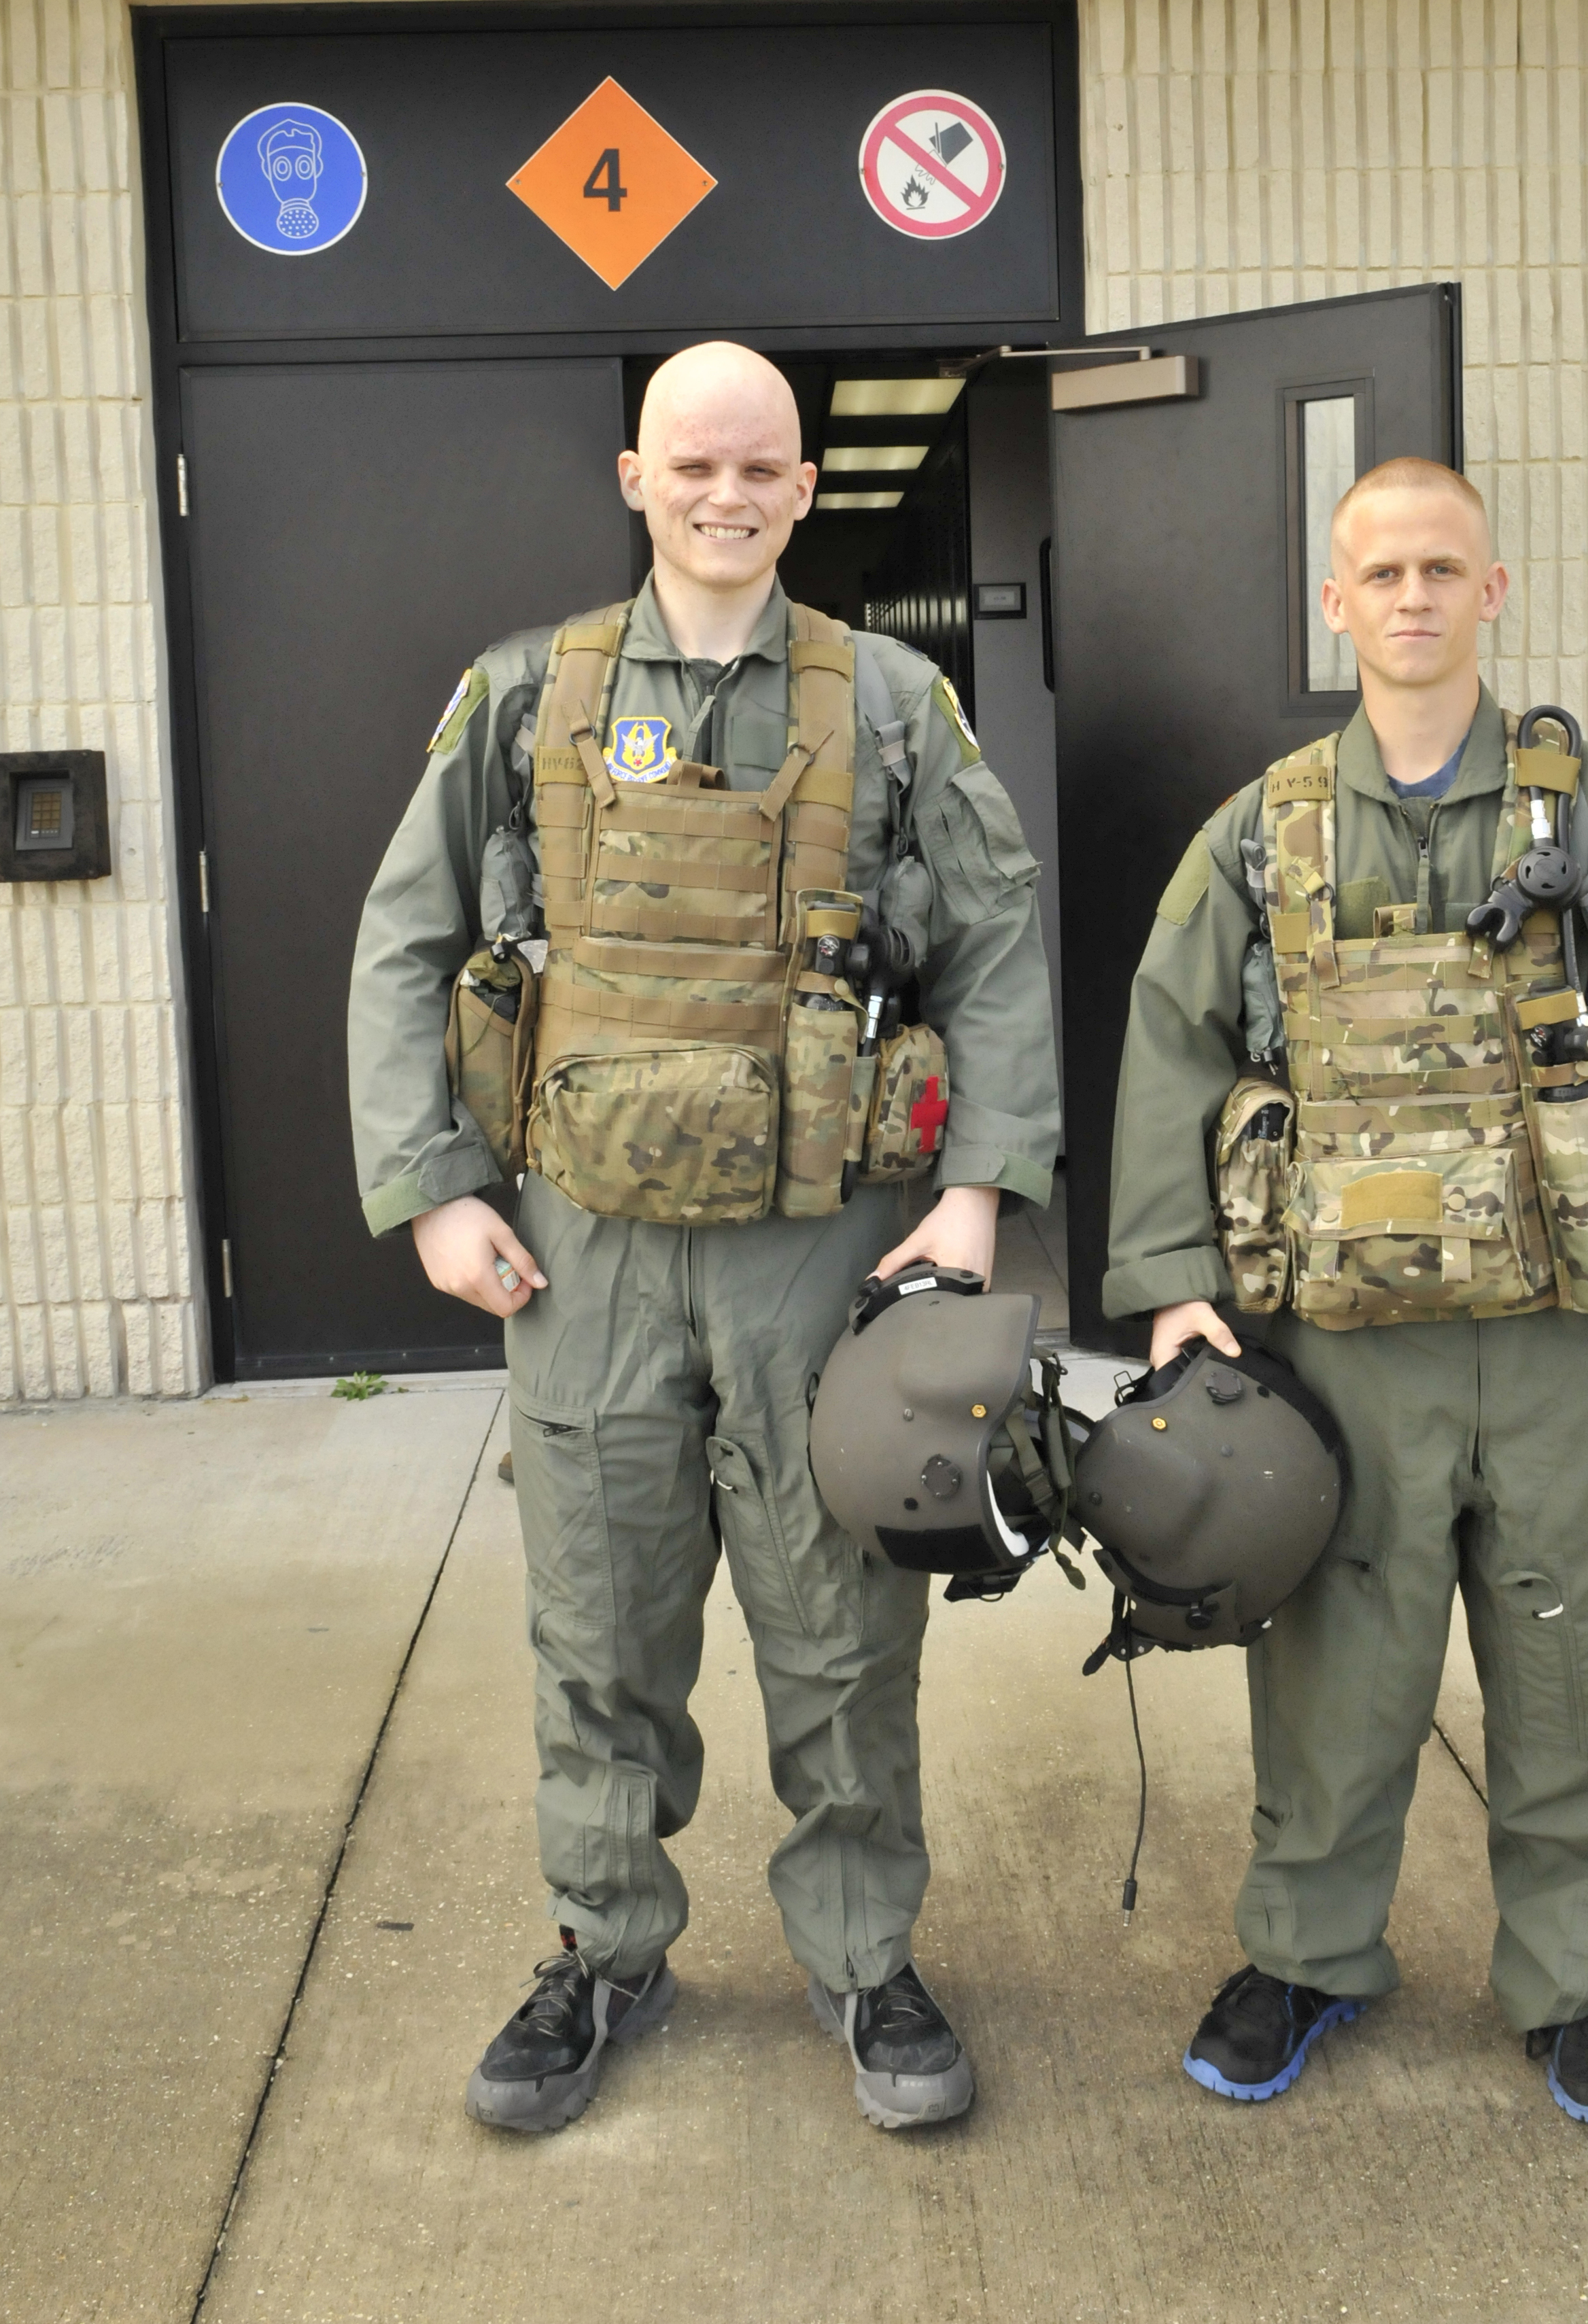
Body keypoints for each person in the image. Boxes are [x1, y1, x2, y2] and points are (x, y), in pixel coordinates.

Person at [348, 342, 1059, 2134]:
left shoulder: (894, 700)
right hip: (580, 1251)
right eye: (694, 467)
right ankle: (604, 1946)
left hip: (823, 1252)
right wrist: (435, 1183)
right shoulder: (524, 698)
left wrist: (975, 1188)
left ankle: (859, 1954)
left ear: (805, 489)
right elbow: (405, 938)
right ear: (633, 477)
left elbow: (990, 944)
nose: (726, 496)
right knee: (596, 1629)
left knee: (841, 1632)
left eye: (759, 469)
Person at [1103, 457, 1588, 2126]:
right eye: (1380, 571)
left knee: (1581, 1670)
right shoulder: (1260, 830)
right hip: (1343, 1351)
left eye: (1441, 568)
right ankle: (1308, 1957)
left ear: (1494, 591)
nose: (1412, 596)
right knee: (1338, 1671)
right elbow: (1169, 1042)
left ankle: (1583, 1985)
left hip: (1556, 1343)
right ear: (1336, 604)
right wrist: (1180, 1288)